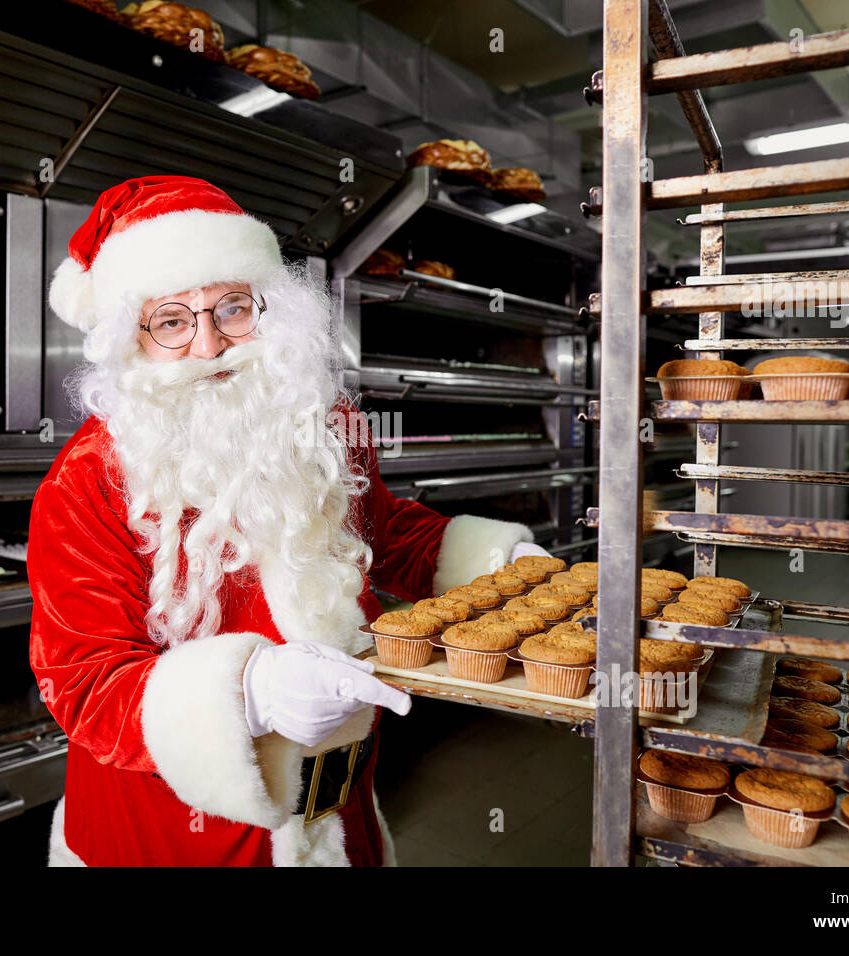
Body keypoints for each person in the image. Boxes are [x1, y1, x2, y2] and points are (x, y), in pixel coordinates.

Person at [28, 176, 547, 866]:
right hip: (174, 830)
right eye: (174, 321)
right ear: (134, 339)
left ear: (269, 310)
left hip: (334, 792)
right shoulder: (88, 478)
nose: (210, 345)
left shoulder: (325, 425)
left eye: (232, 308)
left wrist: (497, 567)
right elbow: (84, 678)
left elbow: (382, 535)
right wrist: (248, 693)